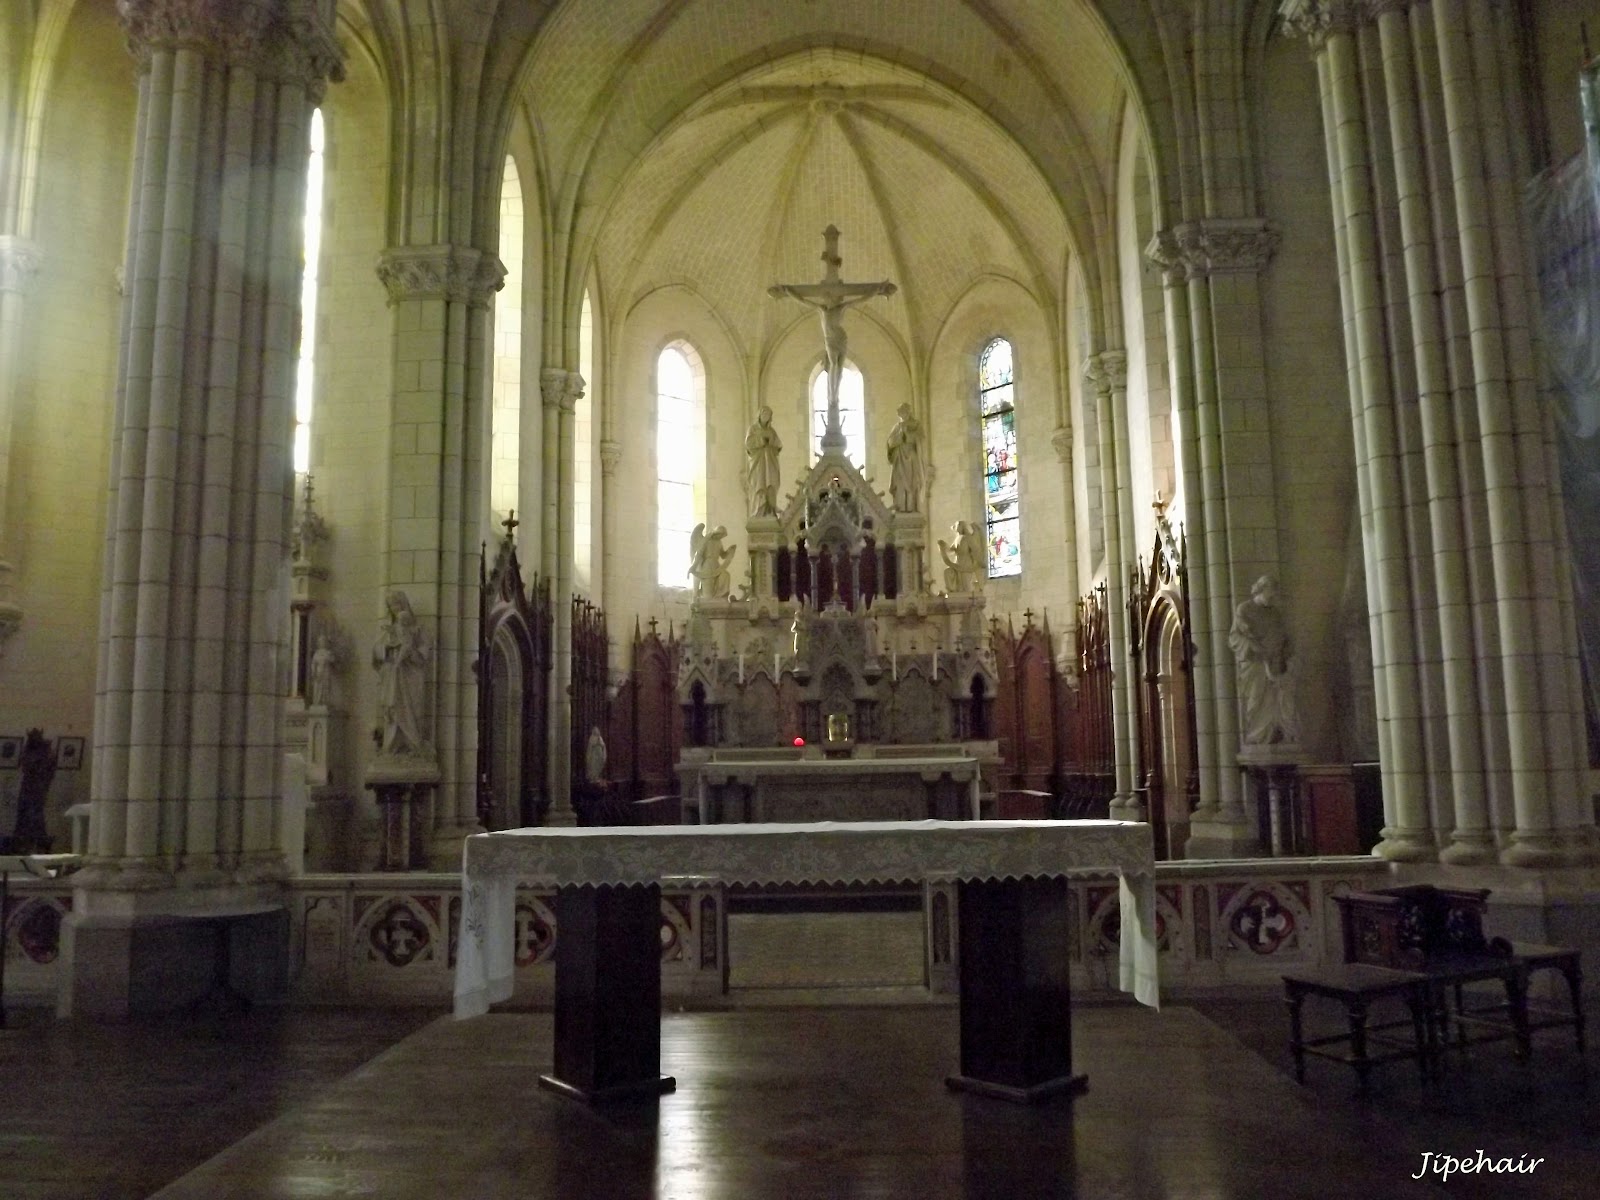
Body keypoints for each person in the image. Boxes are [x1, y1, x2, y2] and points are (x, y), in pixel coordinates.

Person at [1229, 574, 1300, 745]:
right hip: (1256, 665)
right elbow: (1235, 638)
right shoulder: (1244, 609)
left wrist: (1285, 653)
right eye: (1270, 594)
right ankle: (1258, 736)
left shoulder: (1275, 613)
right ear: (1259, 591)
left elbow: (1285, 637)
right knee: (1257, 701)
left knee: (1280, 701)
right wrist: (1253, 648)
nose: (1272, 598)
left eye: (1275, 595)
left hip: (1276, 664)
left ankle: (1281, 734)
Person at [372, 590, 431, 756]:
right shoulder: (387, 630)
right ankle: (392, 746)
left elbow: (424, 653)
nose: (394, 608)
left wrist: (409, 652)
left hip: (411, 678)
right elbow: (376, 651)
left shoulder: (418, 629)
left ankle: (414, 745)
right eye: (390, 605)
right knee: (392, 712)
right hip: (392, 677)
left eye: (396, 604)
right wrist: (388, 648)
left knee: (411, 711)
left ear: (404, 604)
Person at [886, 403, 925, 513]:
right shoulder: (896, 427)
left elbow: (921, 440)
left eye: (904, 412)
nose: (902, 414)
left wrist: (908, 435)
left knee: (913, 482)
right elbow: (890, 442)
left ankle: (911, 506)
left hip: (911, 459)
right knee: (899, 483)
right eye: (901, 412)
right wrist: (899, 437)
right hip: (899, 459)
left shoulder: (916, 425)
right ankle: (901, 507)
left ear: (908, 412)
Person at [744, 406, 783, 517]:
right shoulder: (753, 429)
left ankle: (771, 508)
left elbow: (778, 445)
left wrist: (770, 443)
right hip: (758, 463)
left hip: (770, 462)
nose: (766, 417)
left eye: (768, 415)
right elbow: (748, 444)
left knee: (771, 484)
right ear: (759, 416)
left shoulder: (772, 431)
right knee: (759, 485)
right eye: (764, 414)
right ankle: (759, 508)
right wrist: (760, 441)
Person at [688, 523, 736, 599]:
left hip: (716, 566)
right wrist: (693, 567)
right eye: (720, 535)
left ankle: (720, 598)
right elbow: (698, 554)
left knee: (725, 575)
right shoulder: (706, 540)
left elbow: (723, 555)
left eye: (722, 536)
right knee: (708, 595)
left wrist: (729, 551)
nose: (721, 537)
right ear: (716, 533)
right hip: (707, 566)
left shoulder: (719, 542)